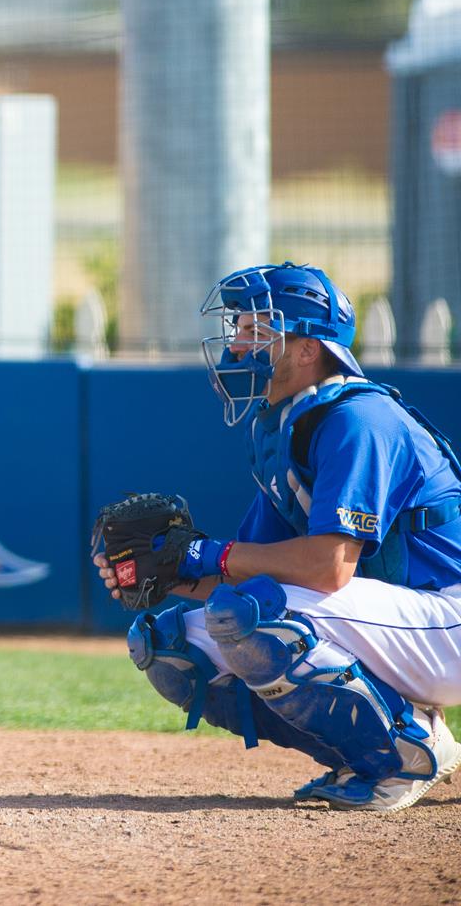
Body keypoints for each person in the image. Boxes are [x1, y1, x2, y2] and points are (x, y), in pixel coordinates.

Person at [97, 262, 461, 812]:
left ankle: (410, 748)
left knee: (255, 612)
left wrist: (207, 553)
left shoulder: (358, 419)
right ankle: (366, 753)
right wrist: (162, 571)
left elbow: (326, 570)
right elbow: (239, 572)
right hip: (402, 625)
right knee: (171, 644)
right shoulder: (286, 423)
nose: (239, 343)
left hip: (448, 618)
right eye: (240, 326)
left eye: (256, 329)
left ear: (308, 348)